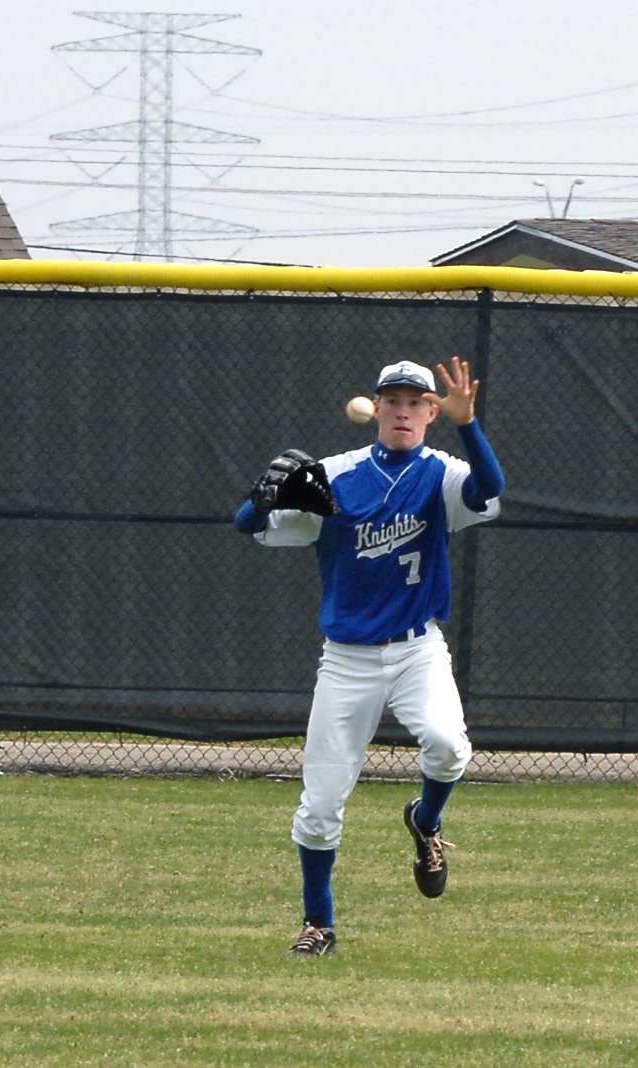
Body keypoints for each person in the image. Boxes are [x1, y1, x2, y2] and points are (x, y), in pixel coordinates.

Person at [233, 356, 506, 957]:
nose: (404, 411)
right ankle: (318, 924)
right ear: (375, 409)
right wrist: (261, 494)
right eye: (394, 401)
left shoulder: (442, 473)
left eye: (417, 402)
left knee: (448, 744)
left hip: (417, 650)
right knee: (321, 804)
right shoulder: (333, 475)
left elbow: (491, 491)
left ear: (432, 414)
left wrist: (470, 425)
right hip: (347, 660)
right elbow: (247, 524)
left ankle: (427, 822)